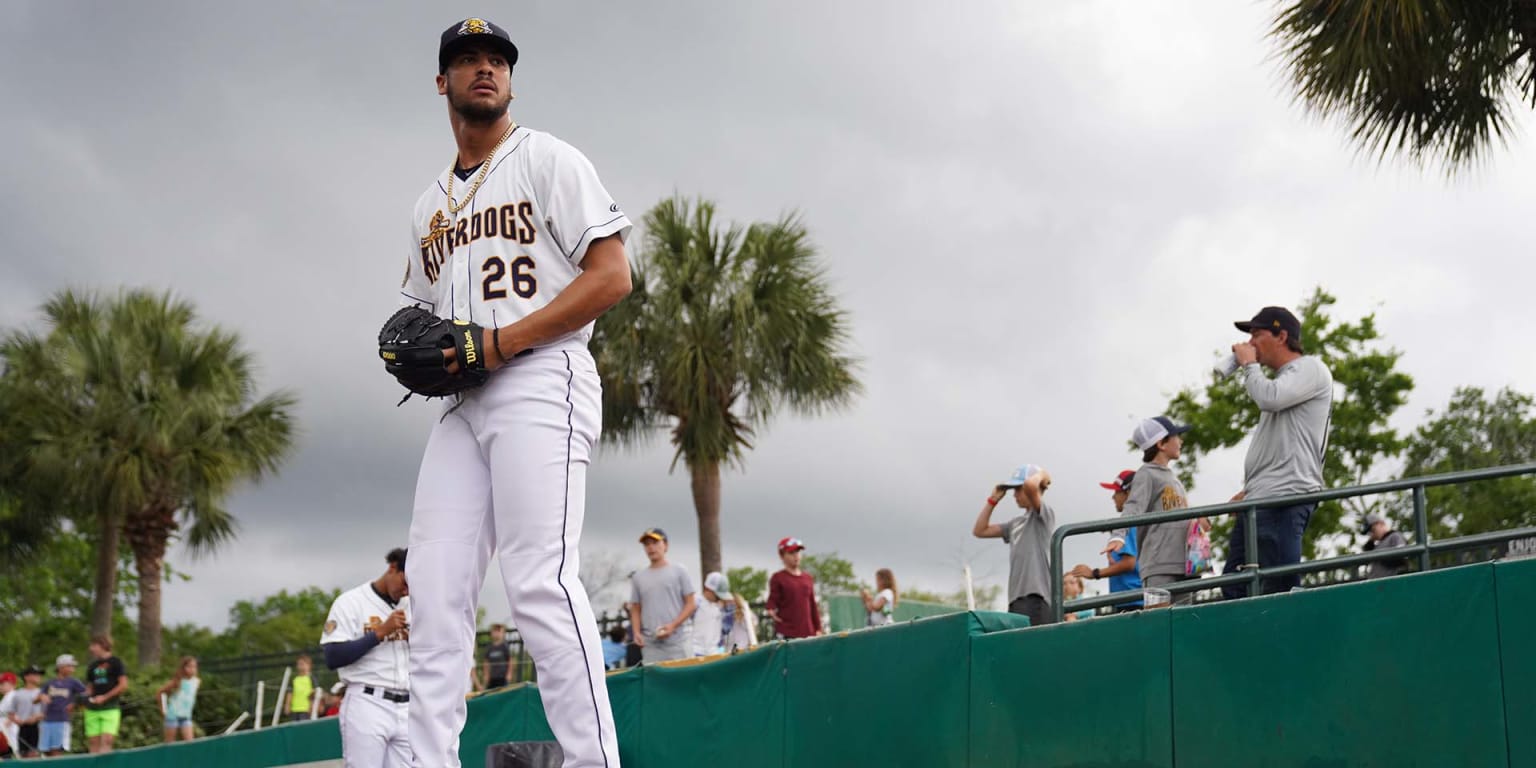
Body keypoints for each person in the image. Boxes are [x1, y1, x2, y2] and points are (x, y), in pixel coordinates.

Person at [396, 17, 633, 768]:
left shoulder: (547, 159)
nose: (484, 69)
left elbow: (612, 276)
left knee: (538, 583)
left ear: (510, 78)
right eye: (467, 60)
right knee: (434, 600)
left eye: (495, 58)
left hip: (542, 375)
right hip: (464, 406)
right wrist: (420, 350)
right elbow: (425, 319)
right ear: (443, 83)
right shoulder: (426, 205)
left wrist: (497, 341)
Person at [1222, 306, 1334, 599]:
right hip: (1263, 497)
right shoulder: (1286, 380)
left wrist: (1249, 366)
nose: (1250, 343)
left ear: (1282, 336)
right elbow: (1283, 444)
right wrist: (1251, 489)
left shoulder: (1309, 368)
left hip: (1286, 497)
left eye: (1257, 334)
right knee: (1234, 587)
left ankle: (1290, 643)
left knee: (1280, 588)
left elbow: (1269, 398)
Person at [321, 548, 412, 767]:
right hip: (368, 701)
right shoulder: (351, 602)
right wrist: (379, 633)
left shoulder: (413, 604)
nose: (407, 591)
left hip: (408, 704)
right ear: (392, 567)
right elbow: (332, 656)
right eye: (405, 582)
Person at [1104, 417, 1207, 606]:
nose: (1181, 441)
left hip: (1184, 563)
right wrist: (1118, 535)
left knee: (1183, 625)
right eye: (1177, 437)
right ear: (1161, 443)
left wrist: (1199, 520)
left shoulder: (1173, 478)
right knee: (1161, 625)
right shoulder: (1146, 473)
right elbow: (1133, 505)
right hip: (1159, 564)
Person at [972, 465, 1057, 626]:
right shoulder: (1015, 524)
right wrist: (993, 500)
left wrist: (1042, 474)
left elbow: (1031, 486)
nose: (1014, 495)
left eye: (1018, 489)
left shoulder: (1043, 517)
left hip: (1036, 597)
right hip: (1016, 599)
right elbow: (980, 530)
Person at [627, 528, 697, 664]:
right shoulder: (638, 577)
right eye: (647, 544)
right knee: (655, 683)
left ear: (666, 545)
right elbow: (635, 607)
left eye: (655, 542)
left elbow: (691, 603)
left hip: (679, 641)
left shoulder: (679, 571)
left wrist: (673, 625)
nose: (651, 547)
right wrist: (636, 632)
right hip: (651, 645)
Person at [766, 537, 822, 639]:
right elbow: (773, 599)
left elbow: (812, 604)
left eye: (798, 552)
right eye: (791, 553)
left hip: (808, 633)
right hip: (788, 632)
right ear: (782, 556)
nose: (796, 556)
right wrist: (771, 609)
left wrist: (818, 628)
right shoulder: (778, 578)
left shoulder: (807, 578)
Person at [83, 635, 128, 754]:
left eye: (93, 645)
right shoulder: (92, 666)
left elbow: (123, 685)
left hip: (110, 708)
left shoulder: (116, 662)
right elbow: (90, 687)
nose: (91, 648)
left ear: (102, 645)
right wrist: (83, 699)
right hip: (92, 710)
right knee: (93, 742)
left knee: (107, 740)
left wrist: (105, 697)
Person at [40, 654, 87, 756]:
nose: (72, 669)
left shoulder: (74, 682)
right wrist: (42, 697)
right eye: (69, 666)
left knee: (57, 749)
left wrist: (74, 704)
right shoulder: (50, 682)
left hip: (62, 720)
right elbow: (40, 695)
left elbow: (86, 694)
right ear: (61, 667)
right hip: (47, 720)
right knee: (46, 750)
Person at [701, 572, 757, 653]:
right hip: (730, 651)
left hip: (740, 651)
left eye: (731, 603)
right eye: (727, 603)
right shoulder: (721, 616)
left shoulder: (745, 616)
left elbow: (752, 630)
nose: (730, 606)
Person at [0, 665, 48, 757]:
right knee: (22, 754)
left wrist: (11, 722)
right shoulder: (12, 696)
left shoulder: (13, 695)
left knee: (32, 753)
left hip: (23, 729)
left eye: (3, 684)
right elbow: (11, 713)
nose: (0, 686)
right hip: (17, 730)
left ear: (12, 684)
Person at [156, 656, 200, 743]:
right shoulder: (178, 681)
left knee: (190, 742)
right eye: (189, 667)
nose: (192, 669)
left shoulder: (197, 681)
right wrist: (163, 709)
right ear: (184, 668)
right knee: (170, 743)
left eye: (194, 667)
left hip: (186, 716)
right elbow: (160, 692)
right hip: (173, 715)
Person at [1362, 512, 1410, 579]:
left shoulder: (1395, 536)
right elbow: (1365, 552)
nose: (1371, 534)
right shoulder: (1378, 544)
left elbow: (1401, 558)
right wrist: (1371, 541)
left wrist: (1380, 556)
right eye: (1369, 532)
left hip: (1391, 582)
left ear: (1380, 524)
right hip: (1377, 585)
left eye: (1372, 530)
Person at [478, 624, 513, 691]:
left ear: (503, 633)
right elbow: (486, 663)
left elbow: (510, 661)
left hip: (502, 678)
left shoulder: (505, 646)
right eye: (495, 631)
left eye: (499, 631)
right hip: (491, 678)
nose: (496, 633)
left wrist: (509, 675)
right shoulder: (489, 648)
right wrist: (486, 676)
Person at [285, 654, 315, 722]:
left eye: (303, 664)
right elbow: (290, 693)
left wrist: (311, 706)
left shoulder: (311, 678)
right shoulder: (294, 679)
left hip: (306, 709)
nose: (301, 666)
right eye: (299, 664)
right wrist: (287, 705)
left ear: (309, 666)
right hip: (295, 709)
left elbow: (314, 693)